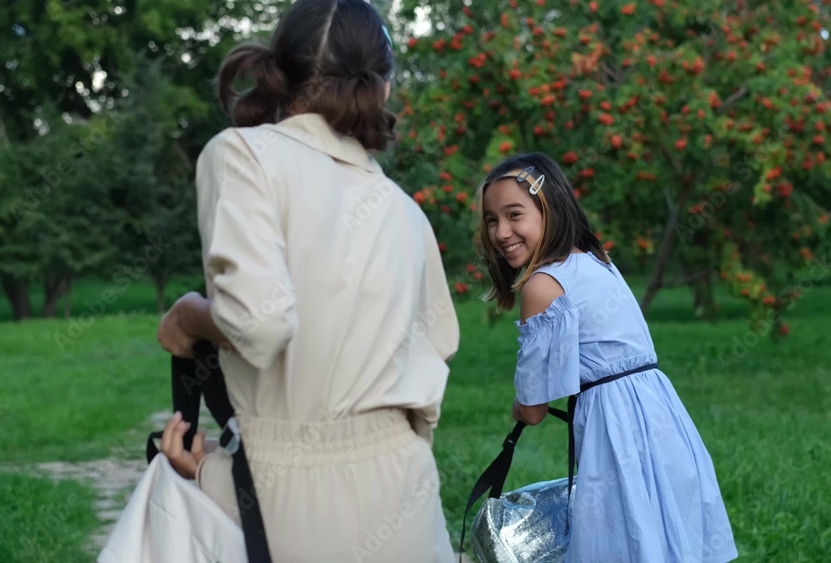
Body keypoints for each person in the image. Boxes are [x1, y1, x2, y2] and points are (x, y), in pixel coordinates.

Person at [155, 0, 460, 561]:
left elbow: (260, 324)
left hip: (289, 507)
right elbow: (433, 357)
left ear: (279, 70)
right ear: (383, 87)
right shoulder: (403, 209)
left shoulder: (242, 156)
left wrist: (190, 315)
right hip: (408, 497)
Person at [474, 152, 738, 562]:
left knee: (622, 540)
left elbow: (533, 409)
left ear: (550, 208)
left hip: (616, 429)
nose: (501, 232)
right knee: (663, 539)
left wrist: (519, 404)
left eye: (514, 215)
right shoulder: (598, 261)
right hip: (663, 418)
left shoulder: (542, 285)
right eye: (492, 220)